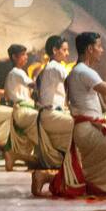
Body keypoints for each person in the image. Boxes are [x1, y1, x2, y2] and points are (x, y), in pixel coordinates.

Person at [33, 32, 106, 198]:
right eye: (99, 46)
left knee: (100, 166)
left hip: (87, 128)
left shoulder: (79, 71)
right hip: (88, 131)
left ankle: (47, 177)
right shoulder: (84, 71)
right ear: (89, 49)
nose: (102, 50)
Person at [31, 35, 74, 170]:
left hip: (47, 115)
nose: (67, 53)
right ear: (55, 50)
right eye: (64, 50)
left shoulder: (49, 67)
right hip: (51, 115)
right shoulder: (56, 67)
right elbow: (74, 87)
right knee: (83, 126)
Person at [2, 44, 39, 171]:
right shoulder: (17, 72)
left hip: (21, 110)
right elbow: (34, 85)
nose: (26, 57)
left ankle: (16, 156)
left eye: (26, 54)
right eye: (23, 54)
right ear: (14, 57)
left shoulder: (12, 74)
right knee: (44, 123)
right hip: (23, 111)